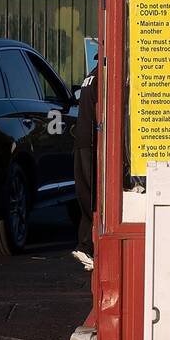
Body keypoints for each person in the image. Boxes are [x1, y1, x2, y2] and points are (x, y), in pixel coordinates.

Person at [71, 54, 99, 271]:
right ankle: (87, 246)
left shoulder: (90, 76)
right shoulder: (104, 76)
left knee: (86, 194)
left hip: (81, 139)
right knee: (94, 196)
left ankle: (84, 245)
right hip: (92, 141)